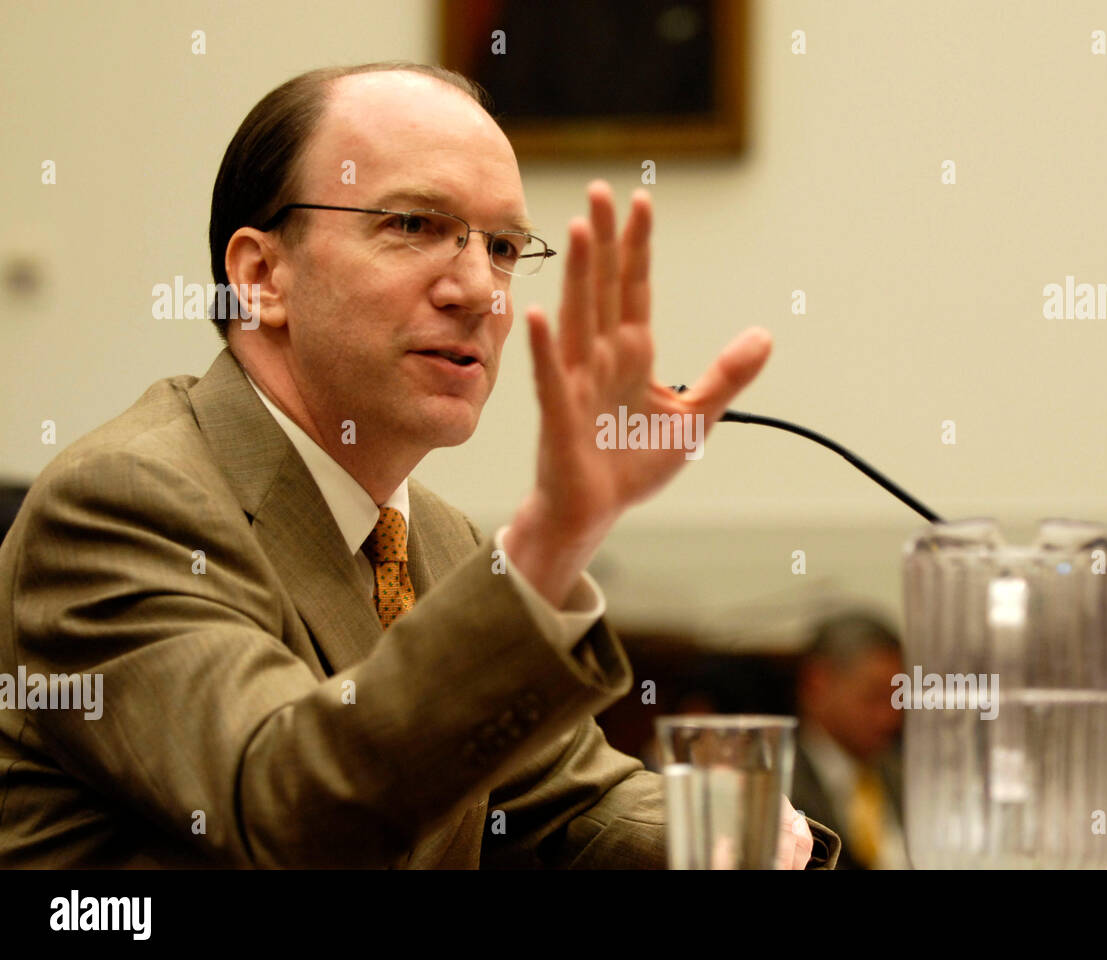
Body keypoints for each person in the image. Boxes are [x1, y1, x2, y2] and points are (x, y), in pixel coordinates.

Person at [0, 61, 839, 869]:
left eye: (505, 246)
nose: (478, 288)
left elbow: (564, 804)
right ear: (261, 276)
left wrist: (737, 836)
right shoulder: (122, 503)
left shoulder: (433, 537)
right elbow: (289, 807)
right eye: (412, 225)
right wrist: (550, 540)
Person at [791, 610, 909, 869]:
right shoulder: (782, 789)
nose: (888, 718)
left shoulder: (905, 773)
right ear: (817, 685)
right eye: (873, 697)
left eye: (896, 699)